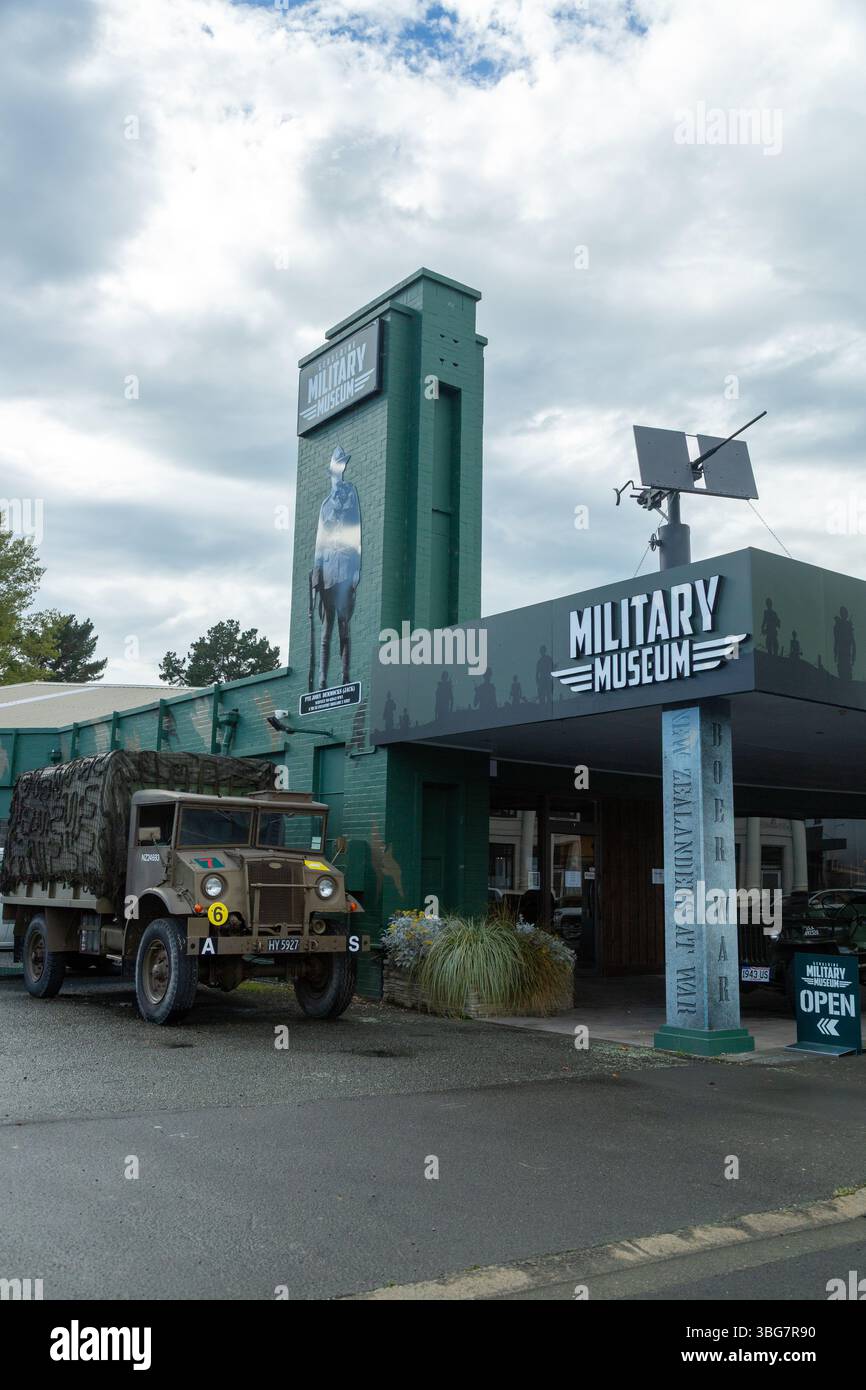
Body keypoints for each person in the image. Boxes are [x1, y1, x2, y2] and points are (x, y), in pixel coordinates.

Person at [312, 446, 361, 688]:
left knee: (344, 624)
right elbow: (320, 540)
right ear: (332, 470)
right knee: (326, 628)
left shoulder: (350, 493)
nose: (340, 468)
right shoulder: (325, 504)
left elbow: (356, 531)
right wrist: (316, 571)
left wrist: (357, 569)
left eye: (343, 464)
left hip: (345, 566)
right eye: (337, 464)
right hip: (328, 570)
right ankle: (322, 677)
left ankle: (344, 674)